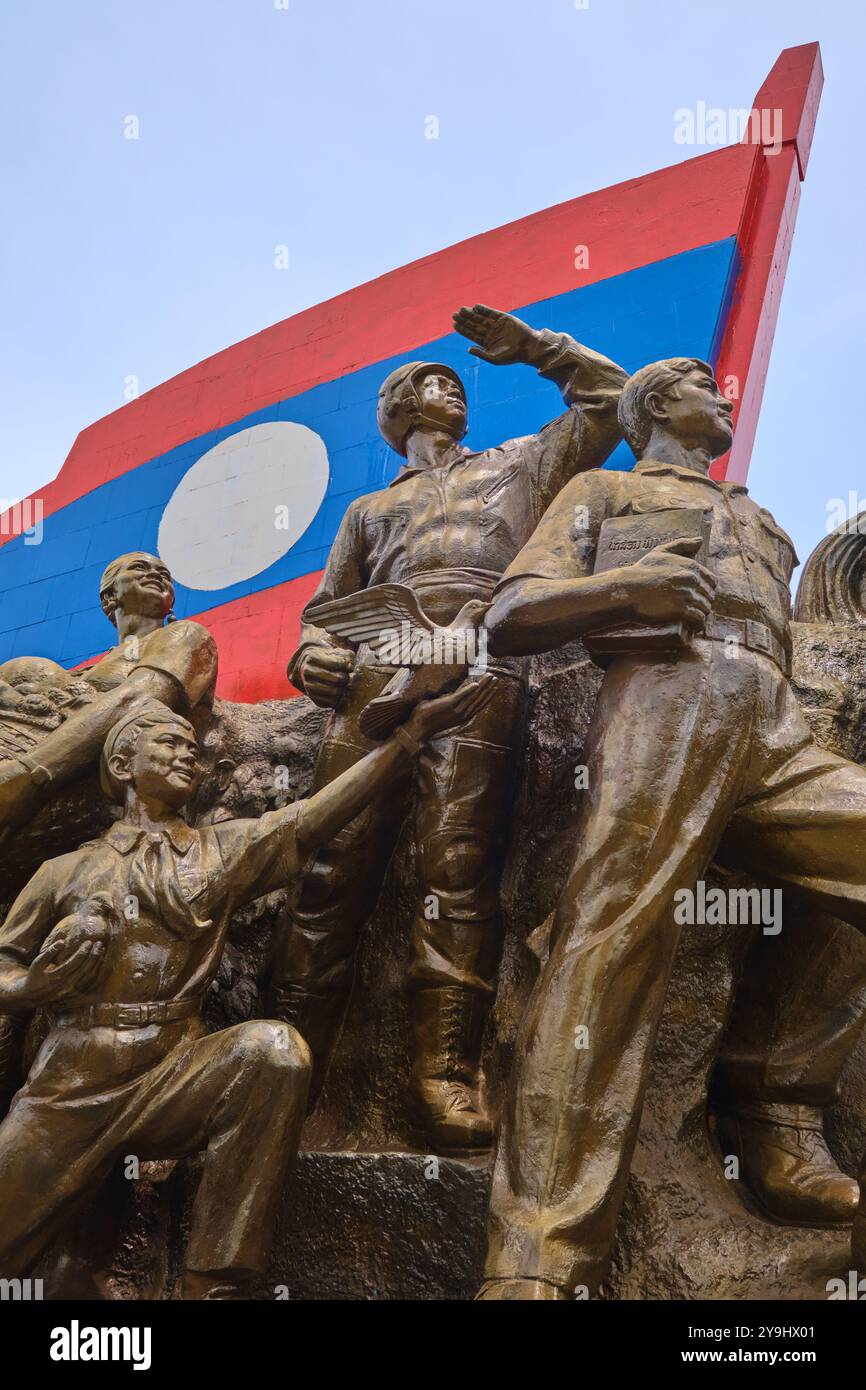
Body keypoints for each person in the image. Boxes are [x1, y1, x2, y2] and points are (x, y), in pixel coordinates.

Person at [478, 356, 866, 1299]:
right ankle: (536, 1256)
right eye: (703, 384)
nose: (724, 394)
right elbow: (511, 611)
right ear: (655, 404)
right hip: (665, 694)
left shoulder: (763, 523)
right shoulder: (605, 485)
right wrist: (620, 595)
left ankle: (771, 1104)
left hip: (774, 724)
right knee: (611, 936)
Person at [0, 676, 492, 1299]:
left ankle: (214, 1284)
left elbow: (311, 819)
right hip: (74, 1077)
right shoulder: (62, 872)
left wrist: (406, 740)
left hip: (174, 1065)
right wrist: (31, 986)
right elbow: (4, 964)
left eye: (193, 748)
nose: (187, 755)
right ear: (122, 763)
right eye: (167, 743)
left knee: (273, 1052)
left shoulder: (219, 852)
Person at [270, 304, 627, 1150]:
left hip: (479, 655)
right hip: (376, 666)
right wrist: (311, 656)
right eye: (431, 382)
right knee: (327, 870)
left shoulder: (517, 464)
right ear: (397, 413)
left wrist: (538, 348)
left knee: (457, 865)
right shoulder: (368, 510)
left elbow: (613, 402)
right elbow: (325, 613)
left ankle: (446, 1075)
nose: (450, 390)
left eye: (457, 381)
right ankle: (289, 1064)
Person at [0, 551, 217, 833]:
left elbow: (138, 699)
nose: (155, 575)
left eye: (164, 575)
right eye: (139, 568)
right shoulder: (91, 668)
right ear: (109, 596)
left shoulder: (186, 636)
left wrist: (30, 776)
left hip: (97, 776)